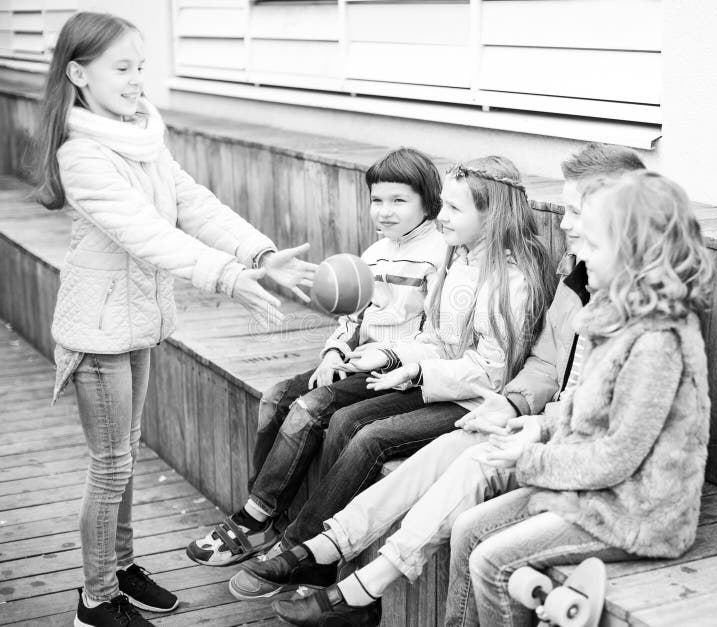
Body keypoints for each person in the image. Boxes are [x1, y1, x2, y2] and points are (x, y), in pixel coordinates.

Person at [36, 12, 315, 627]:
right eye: (122, 68)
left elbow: (194, 204)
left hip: (134, 324)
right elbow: (149, 235)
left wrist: (260, 254)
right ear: (78, 75)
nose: (137, 80)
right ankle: (95, 599)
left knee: (124, 457)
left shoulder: (140, 139)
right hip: (98, 335)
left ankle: (121, 568)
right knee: (111, 465)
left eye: (141, 67)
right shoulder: (83, 156)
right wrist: (230, 277)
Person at [227, 155, 556, 613]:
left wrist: (418, 373)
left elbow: (492, 371)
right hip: (439, 383)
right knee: (343, 420)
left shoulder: (512, 278)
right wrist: (392, 358)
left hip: (475, 403)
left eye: (454, 208)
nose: (442, 216)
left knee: (370, 437)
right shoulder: (459, 258)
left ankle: (303, 548)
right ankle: (314, 557)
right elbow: (435, 340)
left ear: (491, 214)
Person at [448, 170, 713, 626]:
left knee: (491, 561)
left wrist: (528, 459)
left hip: (635, 513)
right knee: (467, 529)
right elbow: (584, 407)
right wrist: (537, 427)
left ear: (637, 254)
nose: (582, 255)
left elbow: (617, 456)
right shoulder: (609, 314)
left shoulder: (657, 343)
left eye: (595, 245)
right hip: (588, 491)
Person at [185, 147, 447, 567]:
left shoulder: (439, 256)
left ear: (428, 201)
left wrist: (384, 355)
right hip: (356, 361)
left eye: (399, 200)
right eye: (377, 200)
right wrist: (333, 351)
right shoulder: (374, 253)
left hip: (396, 373)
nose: (385, 211)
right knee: (275, 397)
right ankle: (267, 513)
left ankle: (254, 519)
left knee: (310, 409)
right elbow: (353, 317)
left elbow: (436, 337)